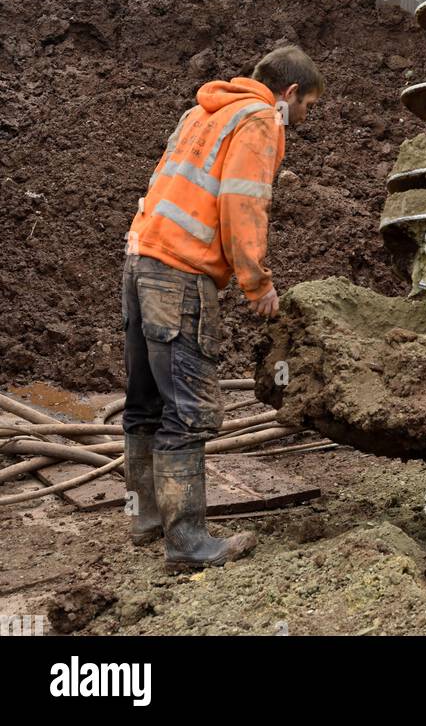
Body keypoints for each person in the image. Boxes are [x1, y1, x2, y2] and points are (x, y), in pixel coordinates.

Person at [121, 43, 323, 572]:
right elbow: (242, 202)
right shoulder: (261, 119)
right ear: (291, 93)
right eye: (307, 108)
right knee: (187, 412)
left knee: (144, 402)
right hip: (179, 276)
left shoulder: (202, 111)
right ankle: (187, 543)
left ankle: (146, 518)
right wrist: (258, 285)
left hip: (140, 258)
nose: (304, 120)